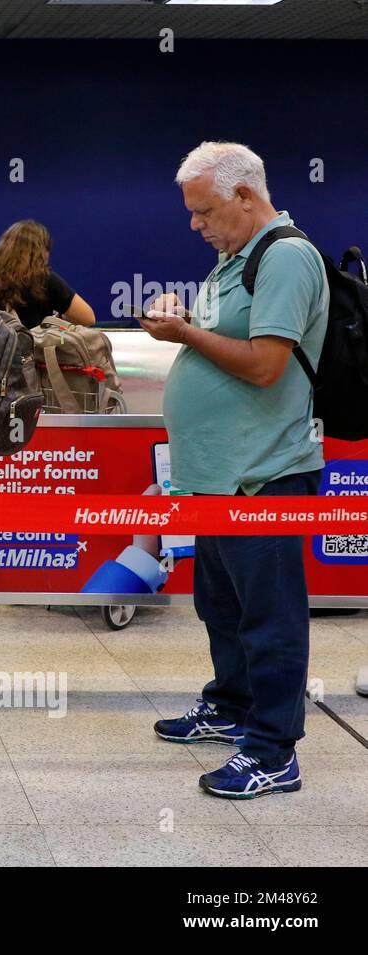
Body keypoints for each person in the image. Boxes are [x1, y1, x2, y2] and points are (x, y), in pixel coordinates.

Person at [141, 141, 328, 799]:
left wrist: (185, 336)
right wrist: (186, 320)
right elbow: (229, 342)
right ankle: (230, 703)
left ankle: (274, 750)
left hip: (266, 474)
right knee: (220, 603)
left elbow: (263, 365)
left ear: (246, 196)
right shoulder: (234, 260)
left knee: (271, 617)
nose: (197, 224)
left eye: (206, 211)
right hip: (221, 477)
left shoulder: (287, 258)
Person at [0, 219, 96, 328]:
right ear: (42, 252)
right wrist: (58, 318)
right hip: (33, 347)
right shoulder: (44, 280)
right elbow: (88, 318)